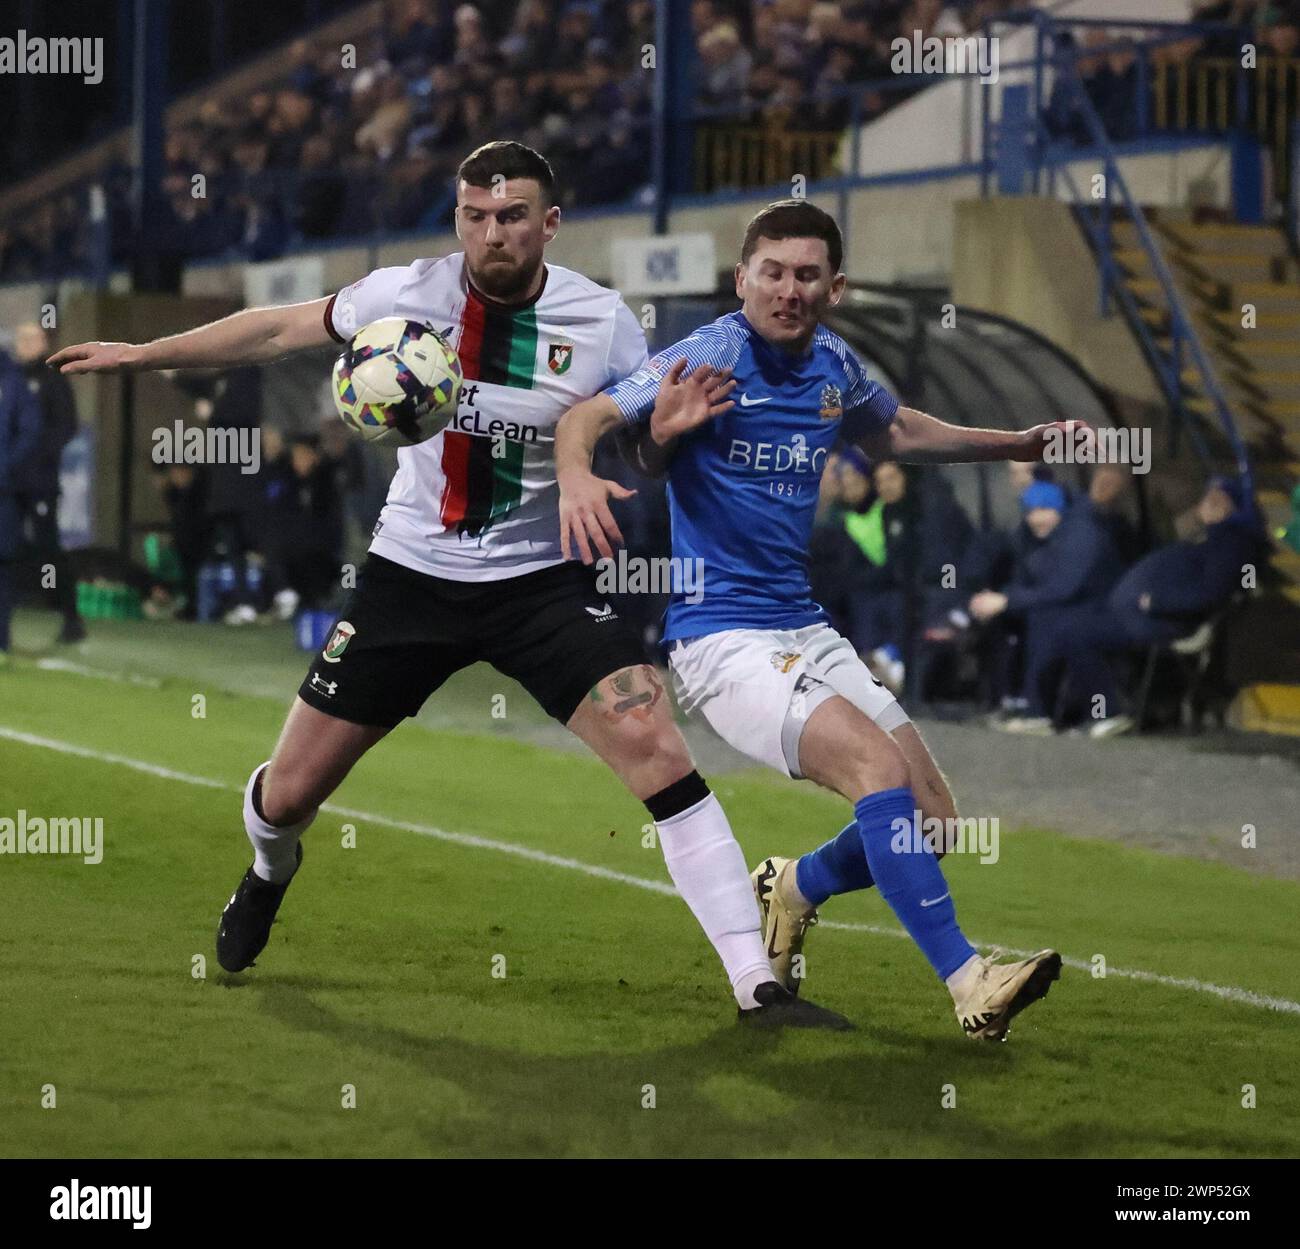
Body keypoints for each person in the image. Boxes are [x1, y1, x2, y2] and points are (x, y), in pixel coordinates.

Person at [49, 142, 841, 1030]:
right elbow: (276, 330)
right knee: (289, 797)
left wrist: (658, 439)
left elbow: (634, 450)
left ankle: (756, 986)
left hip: (542, 583)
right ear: (457, 217)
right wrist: (144, 356)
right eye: (474, 215)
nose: (491, 233)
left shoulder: (605, 321)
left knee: (654, 741)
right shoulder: (402, 295)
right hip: (409, 579)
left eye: (511, 217)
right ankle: (272, 870)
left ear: (549, 223)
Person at [555, 199, 1076, 1041]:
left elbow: (898, 430)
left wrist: (1012, 445)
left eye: (806, 275)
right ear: (742, 278)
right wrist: (588, 471)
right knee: (877, 769)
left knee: (934, 821)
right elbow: (589, 418)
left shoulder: (835, 364)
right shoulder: (710, 353)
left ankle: (794, 885)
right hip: (722, 639)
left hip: (804, 626)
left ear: (836, 287)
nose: (787, 289)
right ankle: (970, 979)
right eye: (772, 272)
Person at [1027, 477, 1265, 738]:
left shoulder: (1231, 543)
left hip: (1162, 620)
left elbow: (1210, 593)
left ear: (1226, 507)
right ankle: (1050, 711)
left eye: (1212, 501)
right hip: (1139, 615)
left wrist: (1156, 602)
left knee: (1075, 632)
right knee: (1061, 622)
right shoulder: (1212, 537)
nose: (1203, 506)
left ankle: (1106, 712)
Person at [970, 479, 1123, 734]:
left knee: (1057, 623)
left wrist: (1006, 601)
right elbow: (1030, 583)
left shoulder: (1081, 534)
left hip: (1109, 611)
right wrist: (997, 600)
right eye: (1030, 512)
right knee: (1032, 617)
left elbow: (1064, 589)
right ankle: (1024, 705)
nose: (1035, 518)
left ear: (1058, 509)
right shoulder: (1036, 537)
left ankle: (1103, 712)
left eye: (1043, 510)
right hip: (1071, 608)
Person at [12, 322, 84, 643]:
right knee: (8, 547)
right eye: (22, 339)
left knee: (48, 549)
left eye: (33, 338)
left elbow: (66, 425)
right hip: (8, 482)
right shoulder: (10, 380)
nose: (27, 344)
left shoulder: (54, 380)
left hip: (39, 480)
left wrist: (39, 455)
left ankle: (69, 615)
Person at [0, 342, 42, 665]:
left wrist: (5, 468)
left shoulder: (13, 384)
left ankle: (1, 640)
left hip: (3, 491)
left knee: (4, 565)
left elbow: (30, 431)